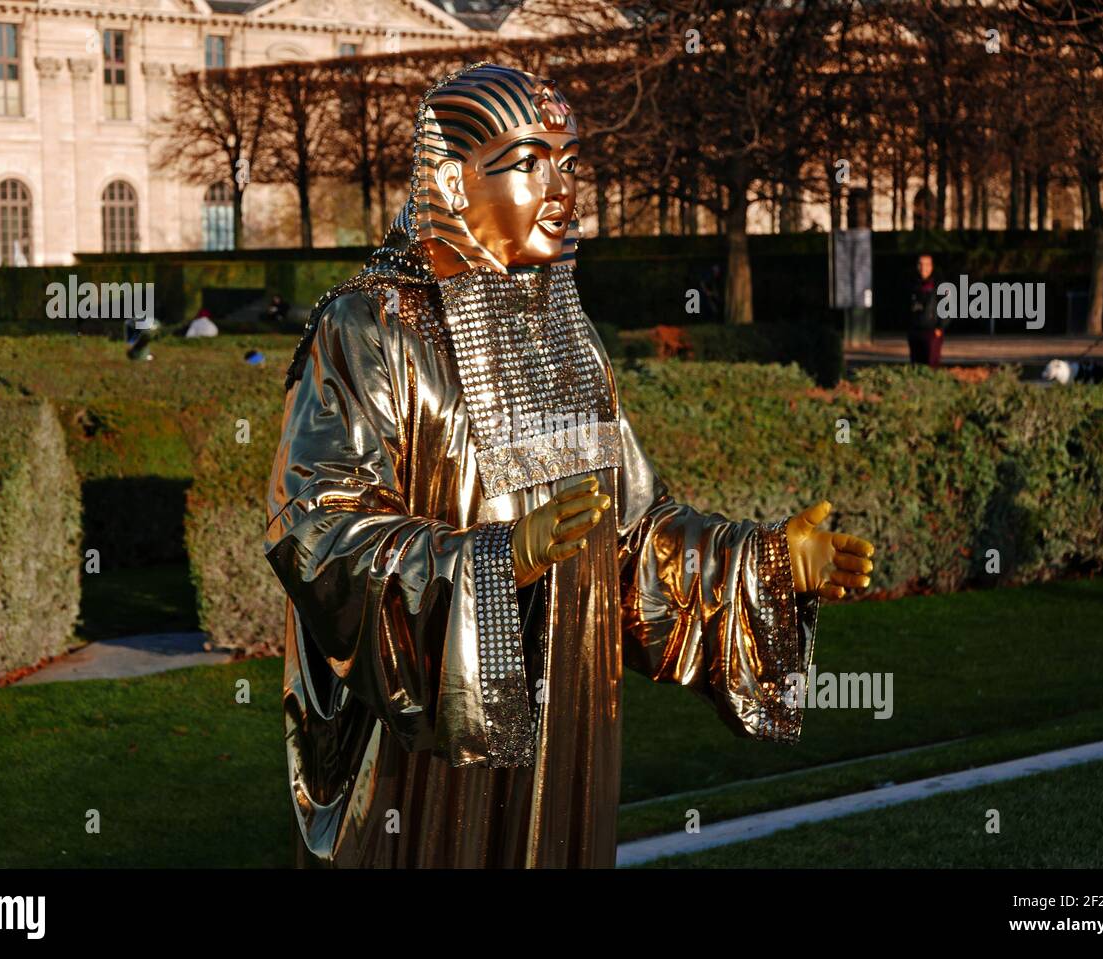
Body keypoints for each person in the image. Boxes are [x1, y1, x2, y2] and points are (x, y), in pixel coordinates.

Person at [267, 63, 876, 869]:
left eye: (571, 161)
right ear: (451, 180)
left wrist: (761, 561)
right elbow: (317, 527)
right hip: (432, 743)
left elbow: (632, 535)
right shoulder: (370, 327)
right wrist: (495, 561)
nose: (563, 188)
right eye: (529, 163)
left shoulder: (568, 335)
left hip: (567, 730)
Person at [907, 253, 945, 367]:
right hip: (915, 331)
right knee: (916, 365)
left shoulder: (939, 286)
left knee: (931, 365)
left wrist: (940, 327)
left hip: (932, 332)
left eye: (927, 264)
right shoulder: (912, 285)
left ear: (931, 266)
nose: (923, 268)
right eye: (920, 264)